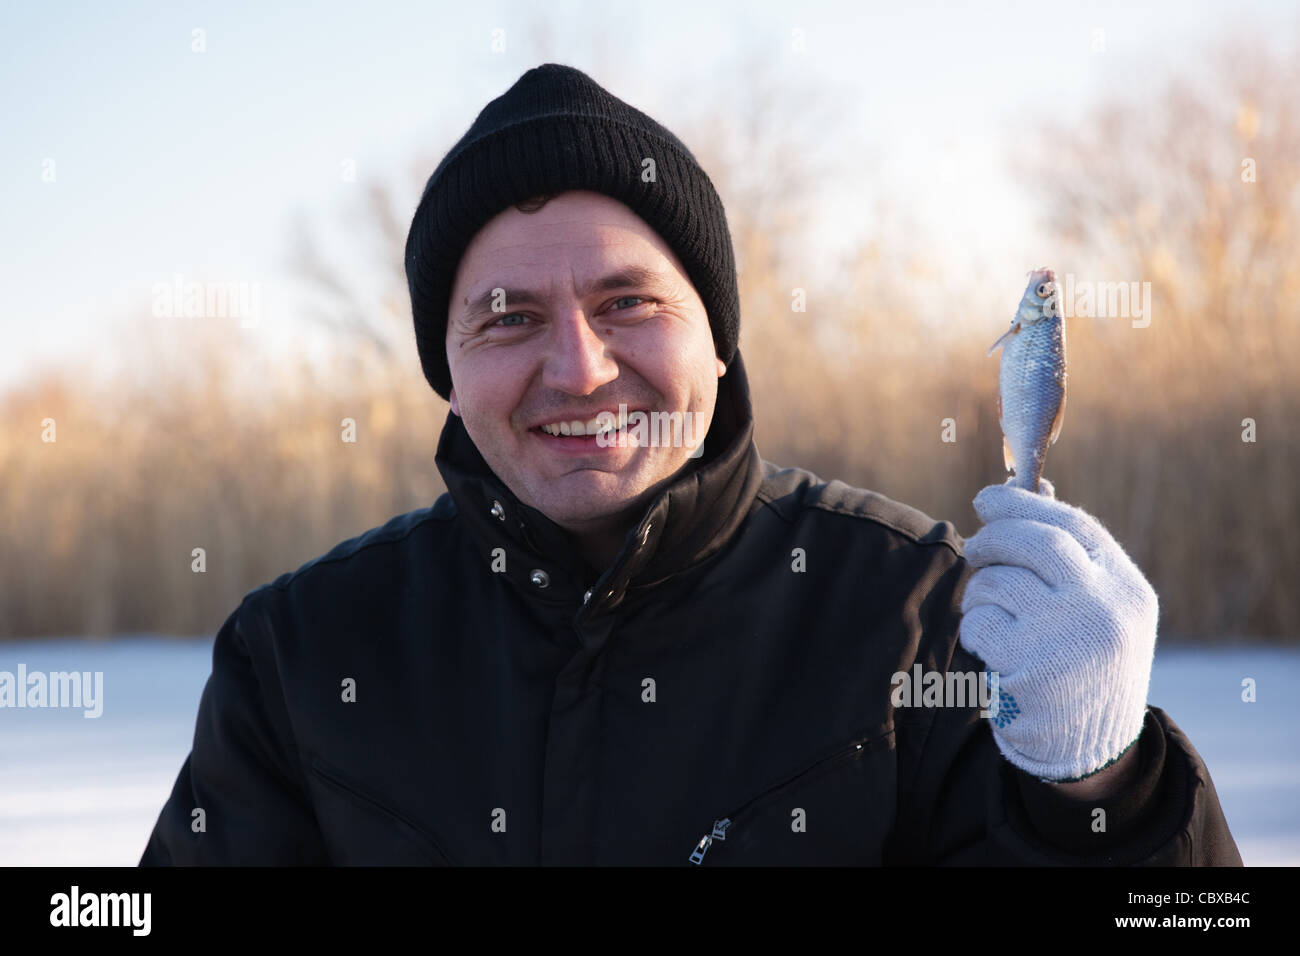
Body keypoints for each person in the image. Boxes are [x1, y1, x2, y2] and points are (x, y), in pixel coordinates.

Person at [140, 63, 1241, 866]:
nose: (576, 369)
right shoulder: (300, 652)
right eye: (507, 316)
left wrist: (1107, 788)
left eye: (628, 301)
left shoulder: (922, 615)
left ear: (716, 338)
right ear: (448, 368)